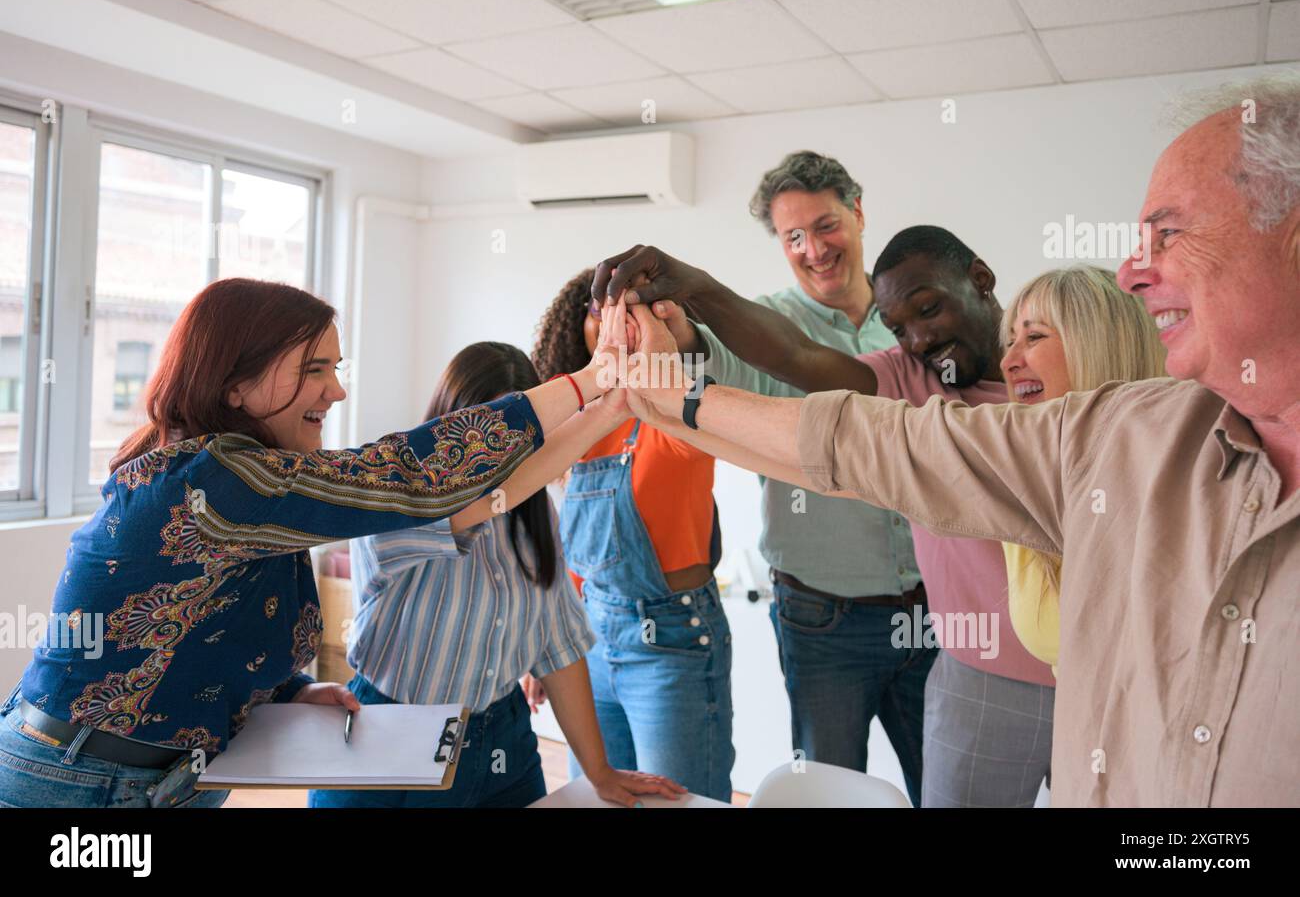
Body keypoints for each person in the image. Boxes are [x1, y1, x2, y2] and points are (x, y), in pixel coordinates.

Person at [609, 74, 1300, 806]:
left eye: (1170, 234)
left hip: (1000, 654)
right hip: (898, 642)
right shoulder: (932, 380)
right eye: (792, 237)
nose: (1136, 271)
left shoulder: (1107, 421)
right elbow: (848, 430)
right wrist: (668, 389)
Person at [0, 277, 628, 808]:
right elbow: (415, 473)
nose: (337, 390)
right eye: (313, 370)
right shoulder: (213, 483)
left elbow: (209, 632)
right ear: (234, 387)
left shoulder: (259, 487)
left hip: (162, 774)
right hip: (78, 778)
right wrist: (592, 383)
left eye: (335, 368)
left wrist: (291, 688)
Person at [597, 227, 1059, 807]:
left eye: (930, 309)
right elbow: (794, 358)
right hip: (973, 671)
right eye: (899, 327)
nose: (918, 338)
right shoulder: (904, 378)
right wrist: (695, 292)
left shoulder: (1058, 372)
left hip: (1085, 670)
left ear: (981, 280)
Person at [309, 342, 683, 808]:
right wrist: (609, 404)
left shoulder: (537, 515)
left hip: (501, 733)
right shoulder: (398, 497)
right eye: (488, 434)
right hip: (393, 731)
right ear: (448, 426)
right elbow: (476, 503)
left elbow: (559, 645)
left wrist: (599, 772)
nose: (499, 453)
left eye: (517, 435)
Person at [532, 270, 734, 802]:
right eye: (601, 311)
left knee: (678, 799)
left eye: (631, 312)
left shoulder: (677, 414)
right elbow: (579, 553)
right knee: (599, 796)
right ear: (578, 325)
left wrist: (665, 345)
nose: (614, 324)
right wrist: (549, 646)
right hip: (590, 637)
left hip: (671, 644)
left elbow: (696, 373)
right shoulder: (579, 424)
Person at [997, 266, 1166, 673]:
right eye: (1008, 342)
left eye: (1034, 337)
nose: (1008, 362)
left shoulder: (1180, 478)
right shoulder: (1018, 477)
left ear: (1100, 346)